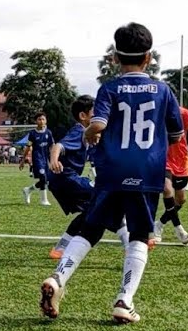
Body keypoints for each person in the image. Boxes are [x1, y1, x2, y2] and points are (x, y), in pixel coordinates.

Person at [40, 22, 183, 324]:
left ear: (115, 58)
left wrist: (93, 132)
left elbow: (100, 123)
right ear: (149, 57)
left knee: (91, 227)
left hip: (110, 171)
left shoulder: (109, 88)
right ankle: (124, 300)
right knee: (140, 234)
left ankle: (58, 278)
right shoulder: (163, 90)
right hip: (146, 171)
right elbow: (175, 135)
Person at [46, 95, 132, 260]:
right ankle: (128, 244)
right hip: (66, 178)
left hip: (61, 182)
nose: (99, 116)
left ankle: (60, 248)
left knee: (90, 211)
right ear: (83, 116)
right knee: (107, 200)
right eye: (95, 113)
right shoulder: (78, 131)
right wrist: (54, 160)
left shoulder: (88, 135)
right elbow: (57, 146)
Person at [154, 104, 188, 245]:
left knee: (181, 200)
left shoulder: (182, 113)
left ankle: (158, 225)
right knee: (167, 190)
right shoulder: (154, 111)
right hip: (163, 159)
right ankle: (180, 230)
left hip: (182, 161)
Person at [19, 112, 54, 206]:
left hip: (45, 158)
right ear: (36, 121)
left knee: (45, 180)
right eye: (39, 119)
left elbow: (52, 146)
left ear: (46, 120)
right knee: (43, 177)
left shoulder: (48, 132)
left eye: (43, 119)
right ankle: (44, 200)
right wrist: (23, 160)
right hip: (37, 158)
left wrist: (54, 159)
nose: (42, 121)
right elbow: (28, 147)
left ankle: (28, 190)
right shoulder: (32, 134)